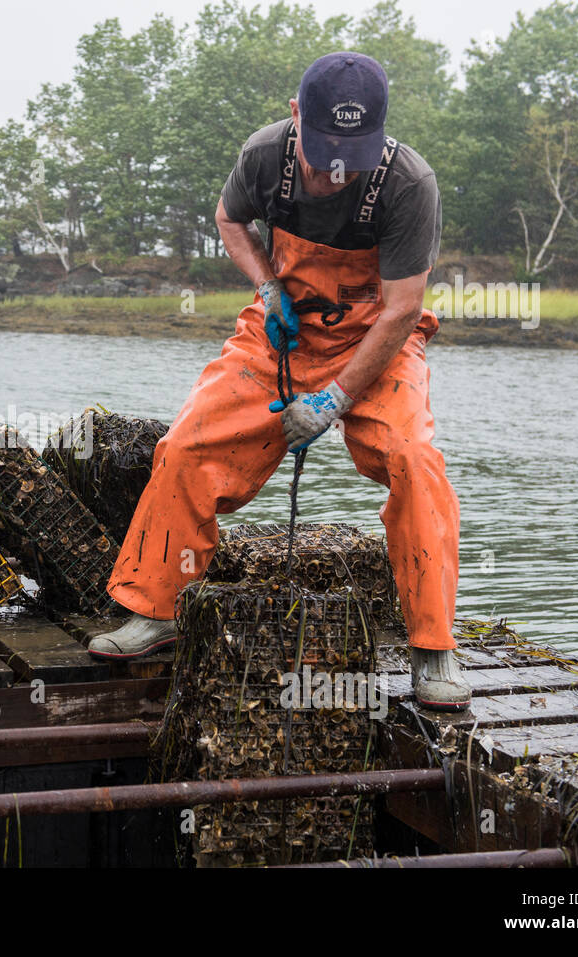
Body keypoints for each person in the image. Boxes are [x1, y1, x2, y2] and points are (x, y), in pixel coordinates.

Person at [88, 51, 471, 711]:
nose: (336, 168)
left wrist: (336, 397)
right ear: (297, 117)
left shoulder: (411, 185)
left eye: (352, 152)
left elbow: (404, 306)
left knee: (414, 458)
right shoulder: (264, 156)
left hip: (377, 339)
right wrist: (268, 289)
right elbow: (229, 219)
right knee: (187, 444)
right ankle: (156, 607)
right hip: (284, 330)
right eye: (323, 150)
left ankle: (433, 645)